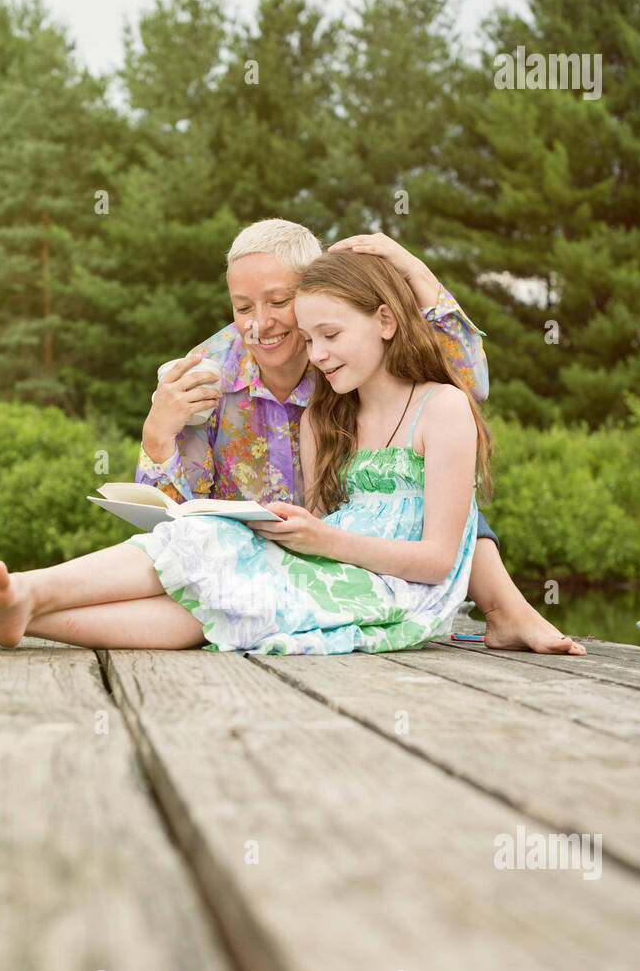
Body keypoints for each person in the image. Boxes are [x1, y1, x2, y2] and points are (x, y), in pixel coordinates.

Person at [0, 250, 489, 655]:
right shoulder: (330, 416)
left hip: (397, 593)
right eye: (313, 341)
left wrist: (319, 539)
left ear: (386, 320)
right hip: (339, 570)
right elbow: (313, 523)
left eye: (328, 336)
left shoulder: (443, 409)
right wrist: (160, 437)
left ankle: (24, 595)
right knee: (224, 584)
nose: (319, 354)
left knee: (226, 569)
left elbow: (442, 557)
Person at [138, 220, 585, 655]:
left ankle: (506, 609)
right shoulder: (206, 372)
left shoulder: (343, 356)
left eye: (279, 301)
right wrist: (157, 435)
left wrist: (413, 270)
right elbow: (172, 519)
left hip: (352, 543)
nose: (260, 324)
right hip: (256, 550)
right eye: (242, 307)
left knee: (430, 479)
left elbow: (471, 382)